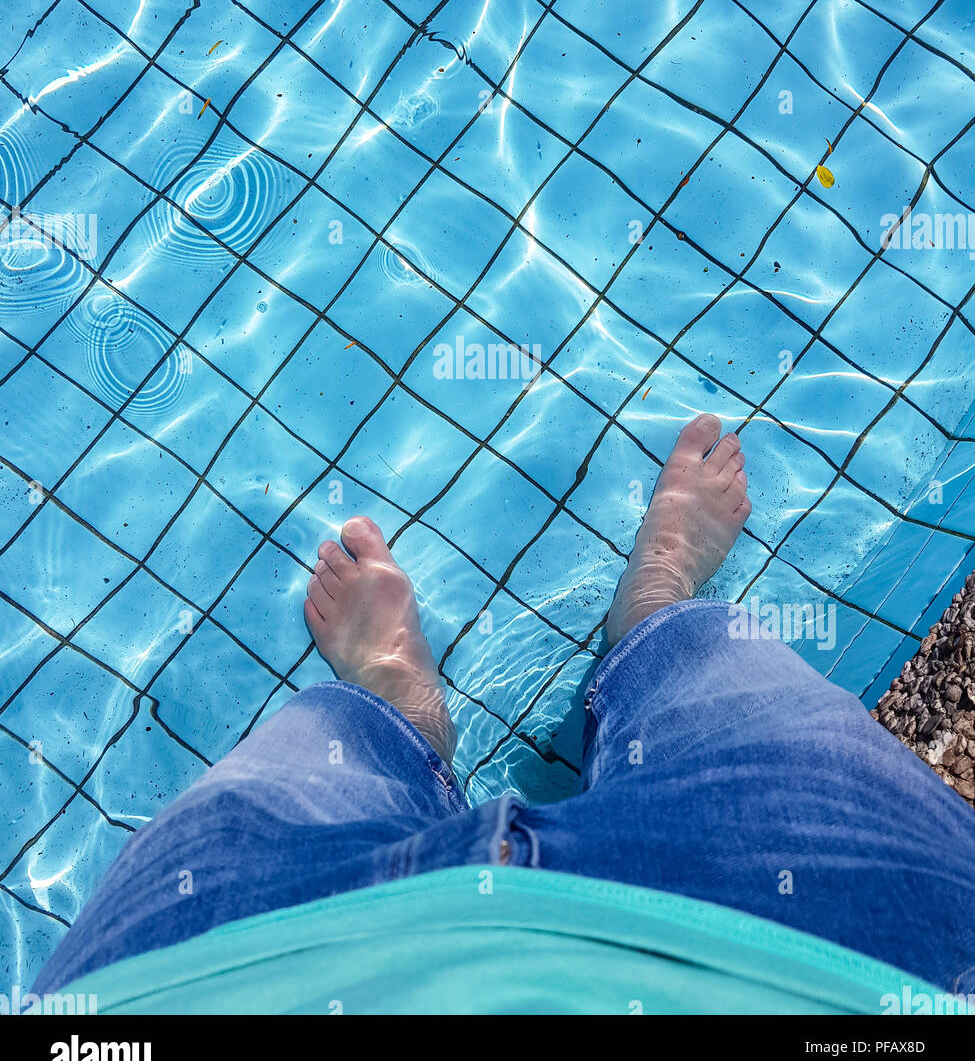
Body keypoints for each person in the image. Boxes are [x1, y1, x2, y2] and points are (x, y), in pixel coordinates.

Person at [31, 414, 975, 1014]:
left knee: (305, 759)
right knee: (718, 684)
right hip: (845, 970)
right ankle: (653, 612)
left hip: (215, 983)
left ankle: (395, 711)